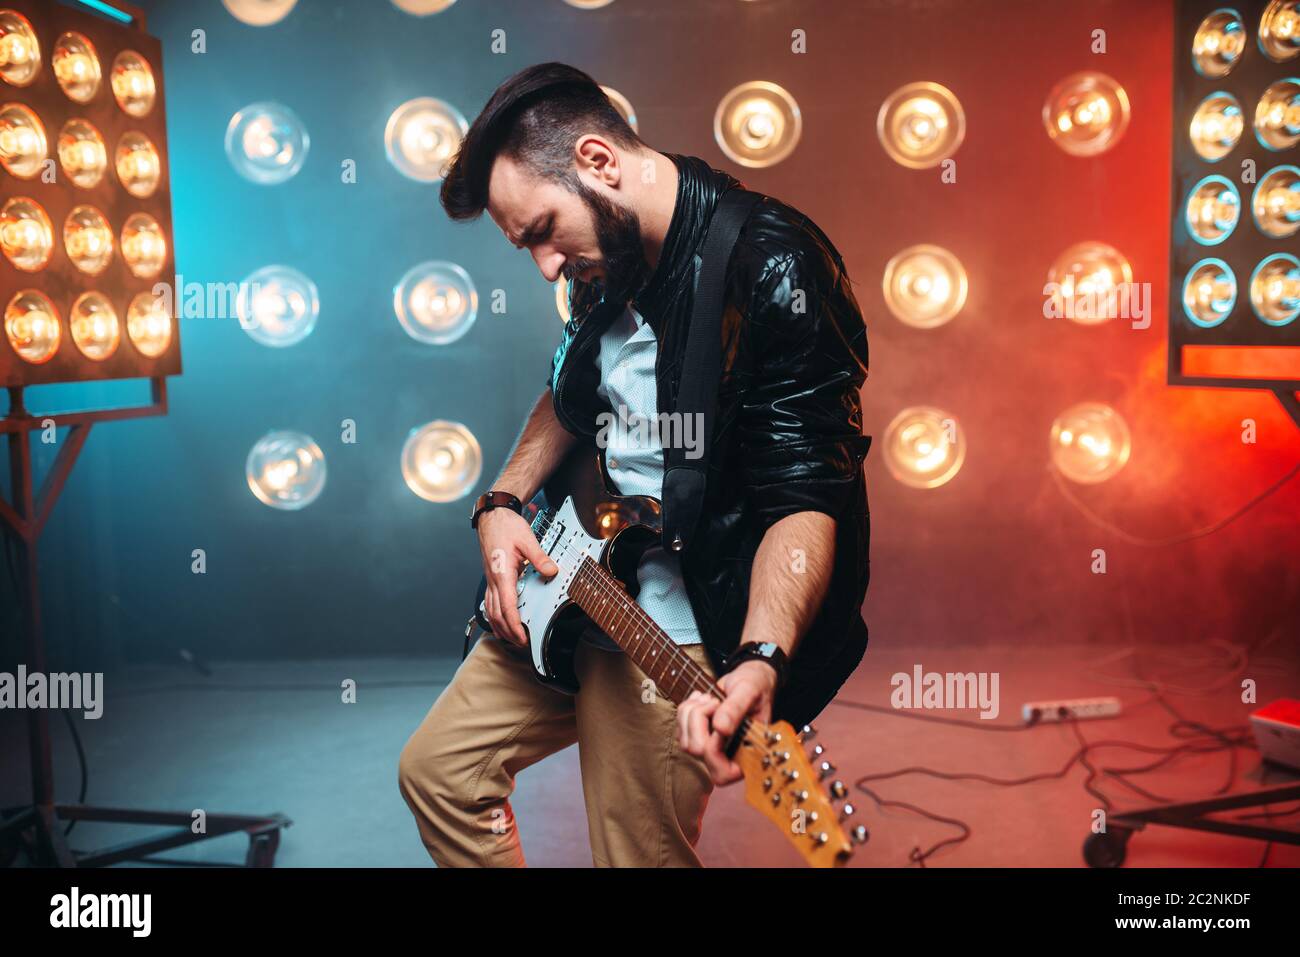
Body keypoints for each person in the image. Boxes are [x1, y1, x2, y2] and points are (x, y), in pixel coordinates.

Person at [399, 62, 870, 867]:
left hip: (685, 626)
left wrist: (760, 655)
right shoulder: (603, 258)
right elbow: (570, 396)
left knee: (635, 855)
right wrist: (504, 500)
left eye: (544, 230)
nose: (544, 265)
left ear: (599, 162)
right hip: (579, 577)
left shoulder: (772, 263)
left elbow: (805, 495)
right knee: (439, 772)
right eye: (527, 247)